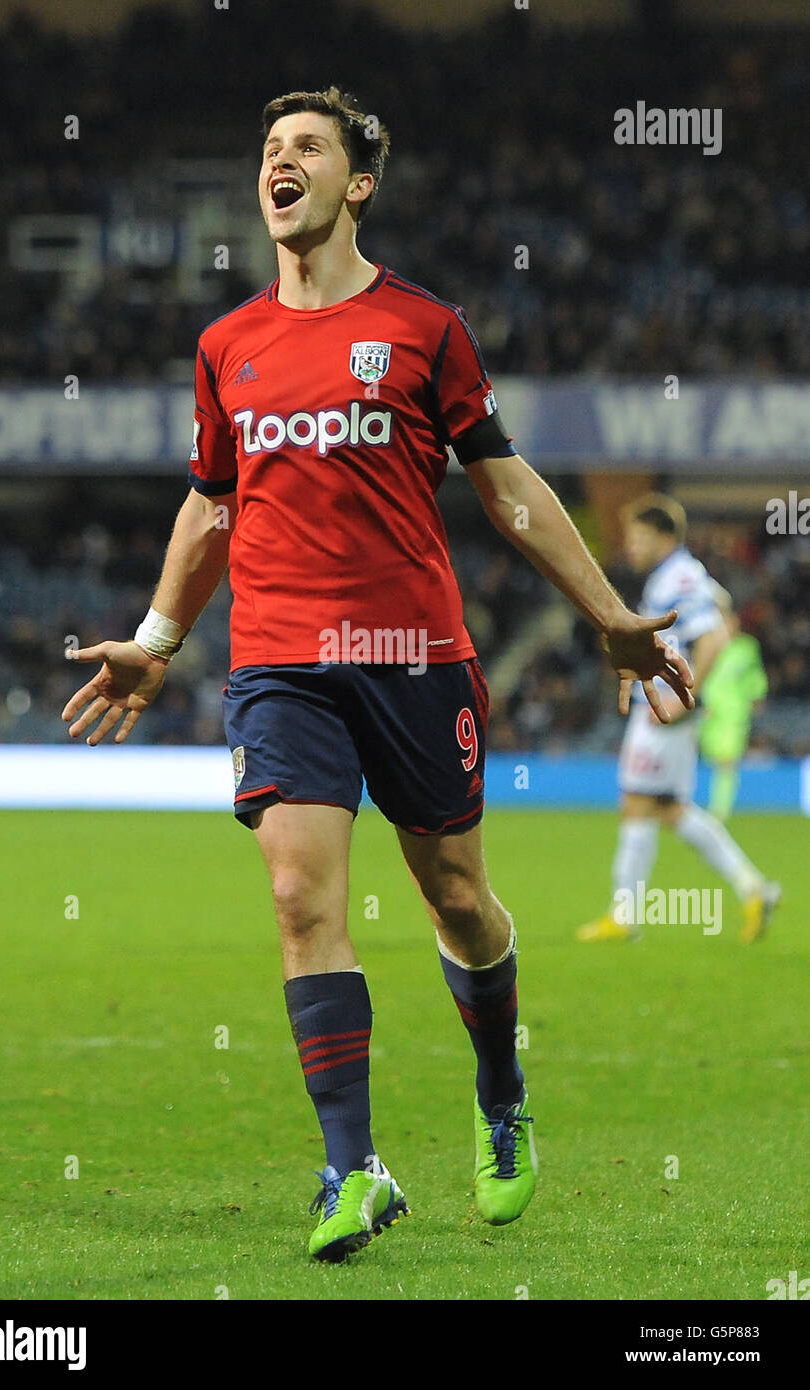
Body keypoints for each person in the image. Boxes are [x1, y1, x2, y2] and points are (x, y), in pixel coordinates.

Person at [62, 88, 694, 1263]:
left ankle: (498, 1091)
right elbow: (209, 509)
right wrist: (155, 640)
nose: (279, 163)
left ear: (358, 184)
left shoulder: (422, 327)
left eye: (306, 148)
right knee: (301, 897)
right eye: (268, 150)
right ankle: (350, 1167)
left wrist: (606, 613)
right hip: (279, 667)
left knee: (456, 898)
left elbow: (504, 486)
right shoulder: (226, 347)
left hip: (414, 659)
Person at [577, 495, 780, 947]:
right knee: (667, 807)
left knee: (636, 800)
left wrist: (686, 698)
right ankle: (754, 889)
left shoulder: (679, 576)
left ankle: (624, 915)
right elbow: (721, 613)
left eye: (637, 535)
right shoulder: (683, 575)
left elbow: (713, 638)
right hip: (668, 704)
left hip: (666, 705)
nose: (630, 544)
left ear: (663, 536)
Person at [699, 584, 768, 823]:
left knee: (726, 762)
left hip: (733, 712)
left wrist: (756, 695)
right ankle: (680, 803)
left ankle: (719, 810)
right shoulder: (708, 645)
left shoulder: (746, 648)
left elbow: (755, 676)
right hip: (705, 709)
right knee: (704, 757)